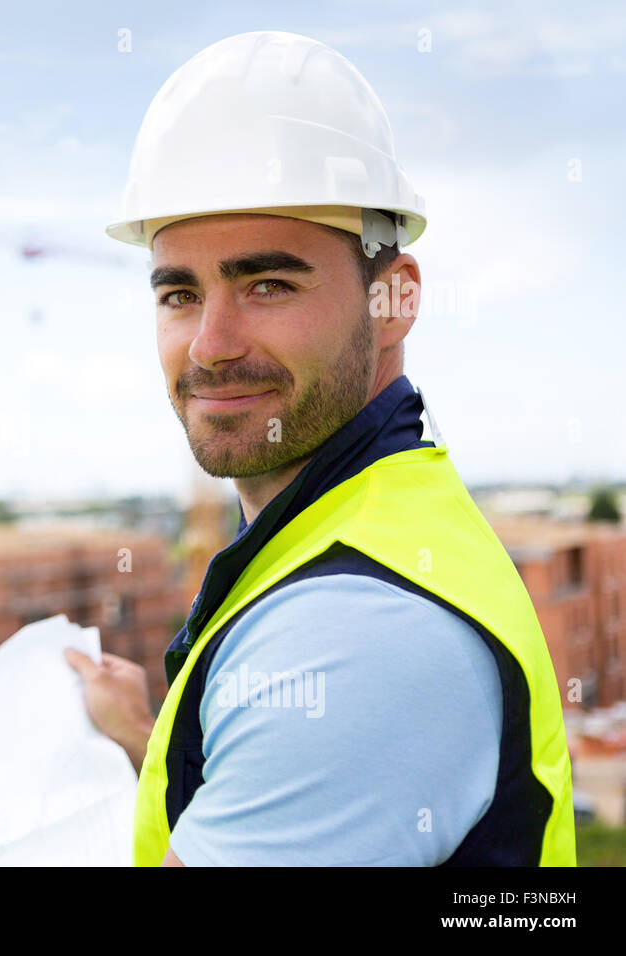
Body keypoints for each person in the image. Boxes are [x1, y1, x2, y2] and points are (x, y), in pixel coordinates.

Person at [66, 31, 575, 866]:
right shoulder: (372, 521)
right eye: (182, 293)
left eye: (268, 284)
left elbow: (345, 714)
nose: (210, 346)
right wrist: (150, 748)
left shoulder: (358, 637)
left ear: (393, 299)